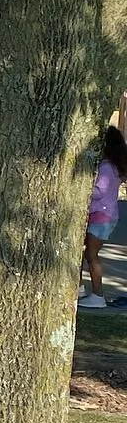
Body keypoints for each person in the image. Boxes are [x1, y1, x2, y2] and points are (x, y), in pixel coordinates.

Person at [80, 125, 126, 309]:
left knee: (91, 256)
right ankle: (83, 289)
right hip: (105, 215)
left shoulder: (107, 167)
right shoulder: (114, 166)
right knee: (88, 254)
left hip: (102, 215)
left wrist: (85, 188)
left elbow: (99, 191)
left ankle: (98, 295)